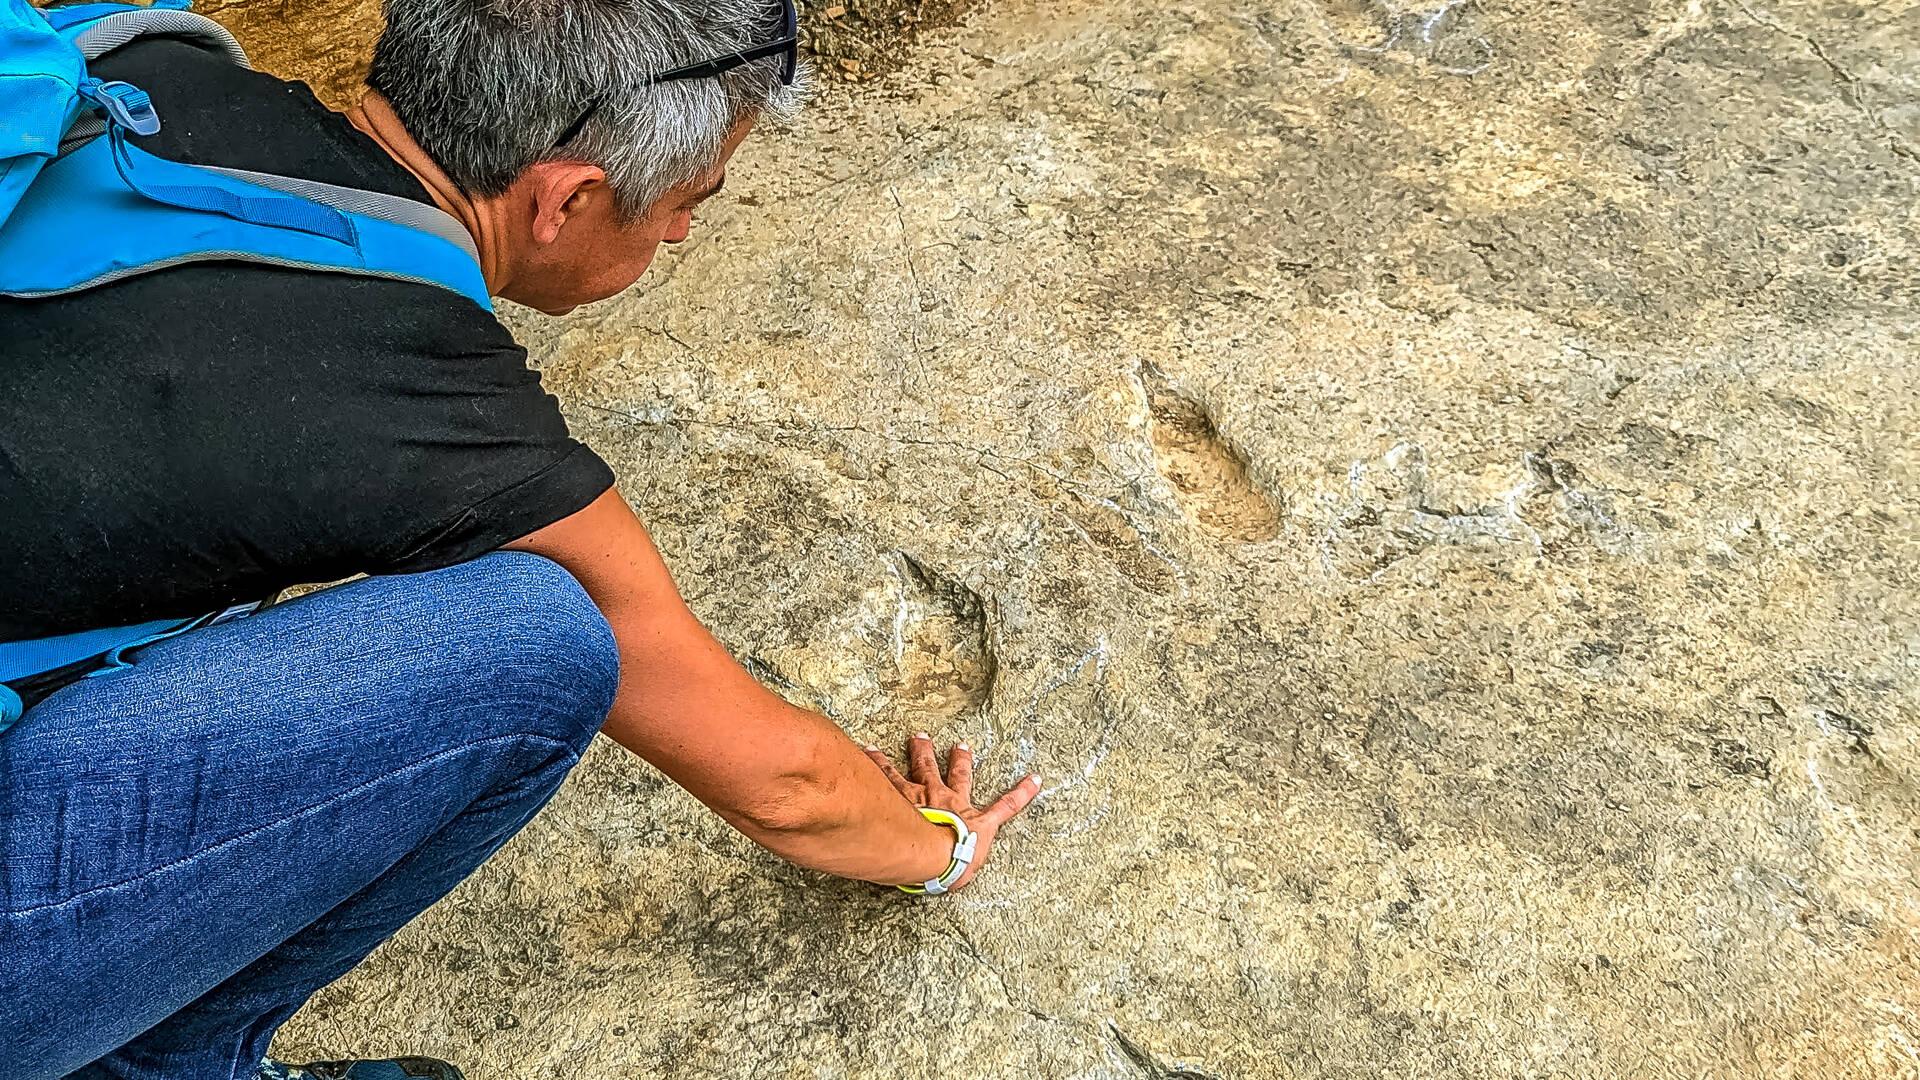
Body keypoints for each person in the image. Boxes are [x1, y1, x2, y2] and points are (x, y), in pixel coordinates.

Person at [0, 0, 1040, 1076]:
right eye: (688, 202)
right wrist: (942, 847)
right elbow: (785, 788)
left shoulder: (134, 62)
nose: (679, 235)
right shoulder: (424, 388)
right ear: (566, 199)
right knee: (539, 642)